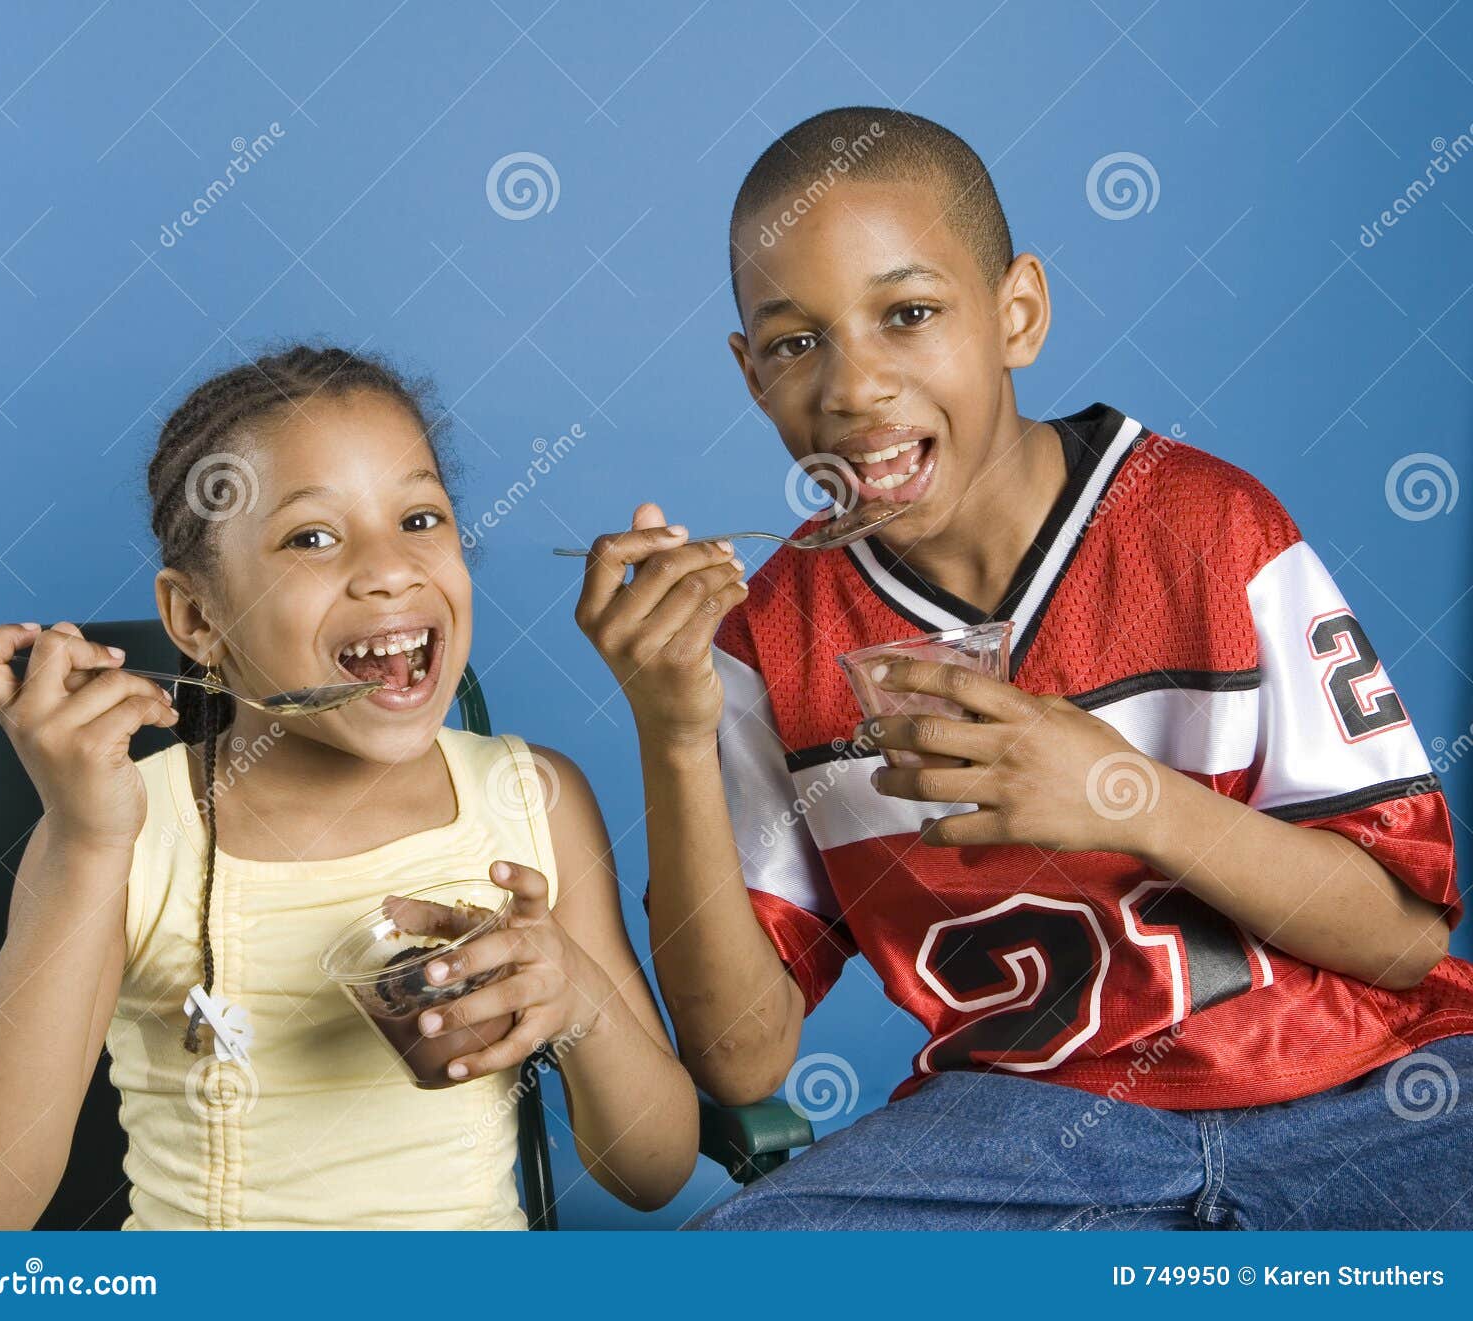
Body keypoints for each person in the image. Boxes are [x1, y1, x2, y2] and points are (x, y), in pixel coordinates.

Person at [574, 108, 1473, 1230]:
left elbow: (1403, 935)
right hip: (1026, 1136)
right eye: (797, 341)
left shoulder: (1208, 529)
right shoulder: (770, 640)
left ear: (1017, 314)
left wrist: (1124, 792)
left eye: (907, 314)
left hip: (1355, 1087)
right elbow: (742, 1061)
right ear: (751, 373)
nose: (851, 389)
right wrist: (671, 729)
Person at [0, 344, 695, 1229]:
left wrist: (576, 992)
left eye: (421, 518)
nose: (390, 568)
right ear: (198, 619)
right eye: (312, 537)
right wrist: (88, 842)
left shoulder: (532, 800)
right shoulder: (124, 828)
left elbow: (654, 1170)